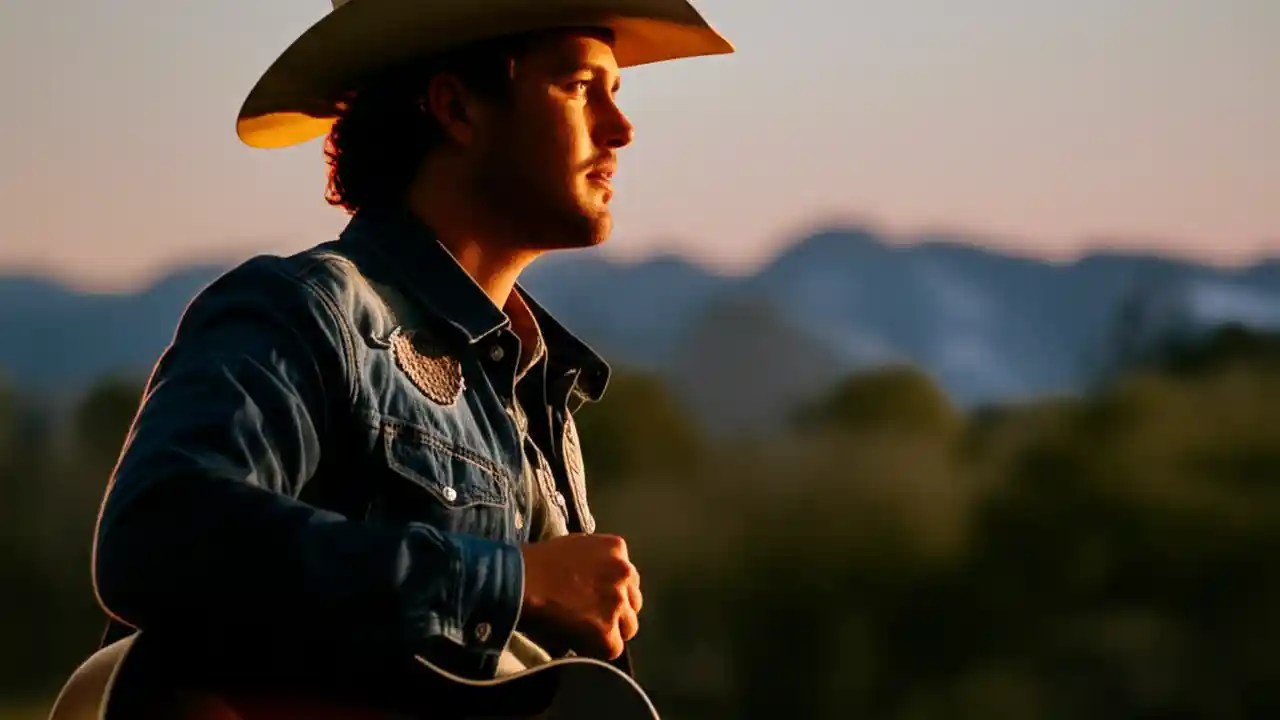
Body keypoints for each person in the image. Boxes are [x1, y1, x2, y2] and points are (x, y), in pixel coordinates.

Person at [89, 0, 732, 699]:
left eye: (615, 93)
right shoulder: (311, 311)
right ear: (457, 109)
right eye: (579, 87)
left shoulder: (535, 384)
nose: (621, 128)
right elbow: (154, 534)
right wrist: (512, 580)